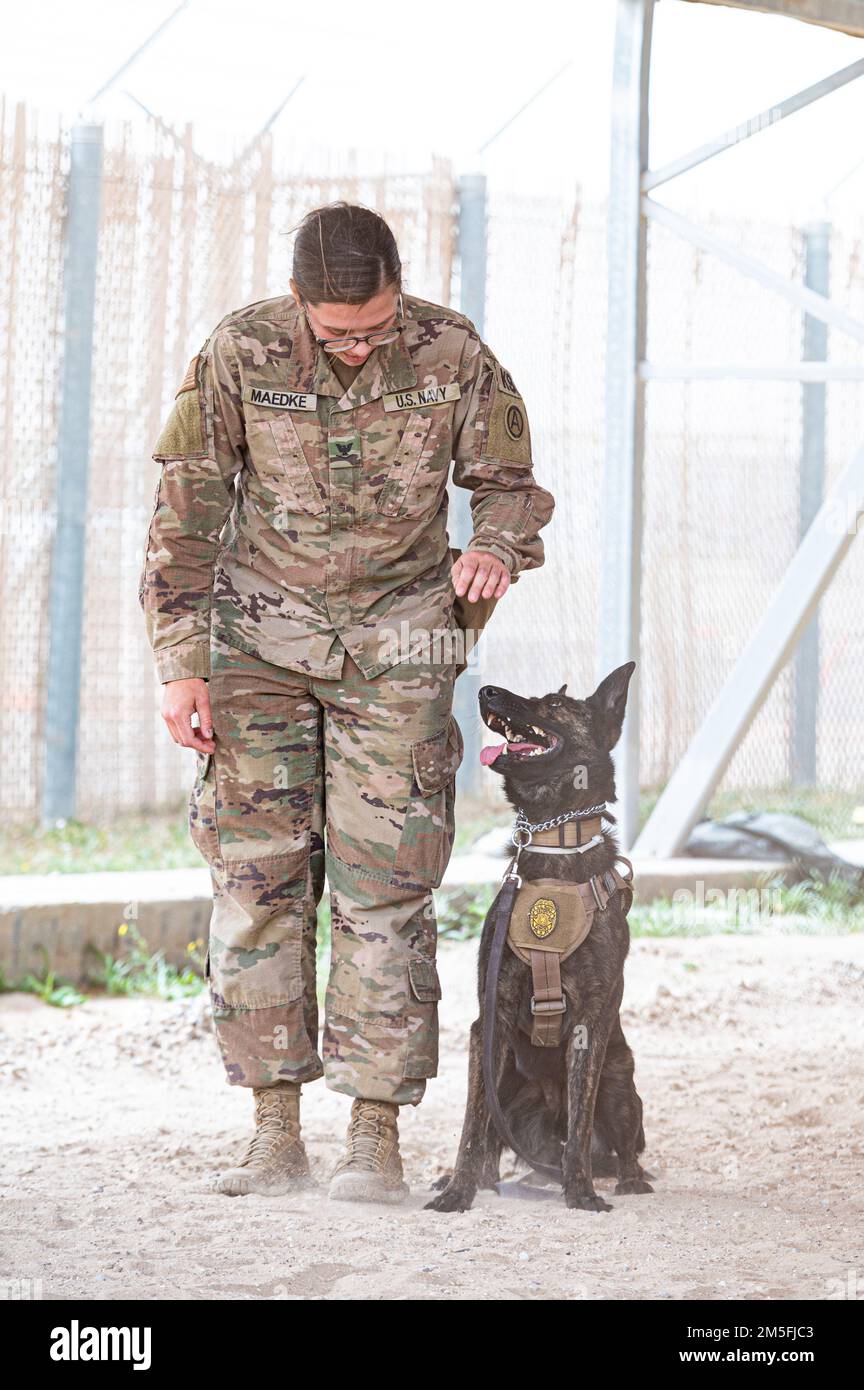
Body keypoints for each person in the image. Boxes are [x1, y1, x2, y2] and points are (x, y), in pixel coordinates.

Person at [139, 200, 555, 1204]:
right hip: (257, 645)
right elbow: (185, 512)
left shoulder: (454, 351)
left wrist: (494, 545)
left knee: (387, 888)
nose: (360, 348)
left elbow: (508, 481)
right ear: (298, 303)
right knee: (258, 882)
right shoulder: (237, 354)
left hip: (400, 644)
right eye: (337, 334)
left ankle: (375, 1134)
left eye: (373, 326)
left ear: (397, 292)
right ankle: (273, 1130)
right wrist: (178, 662)